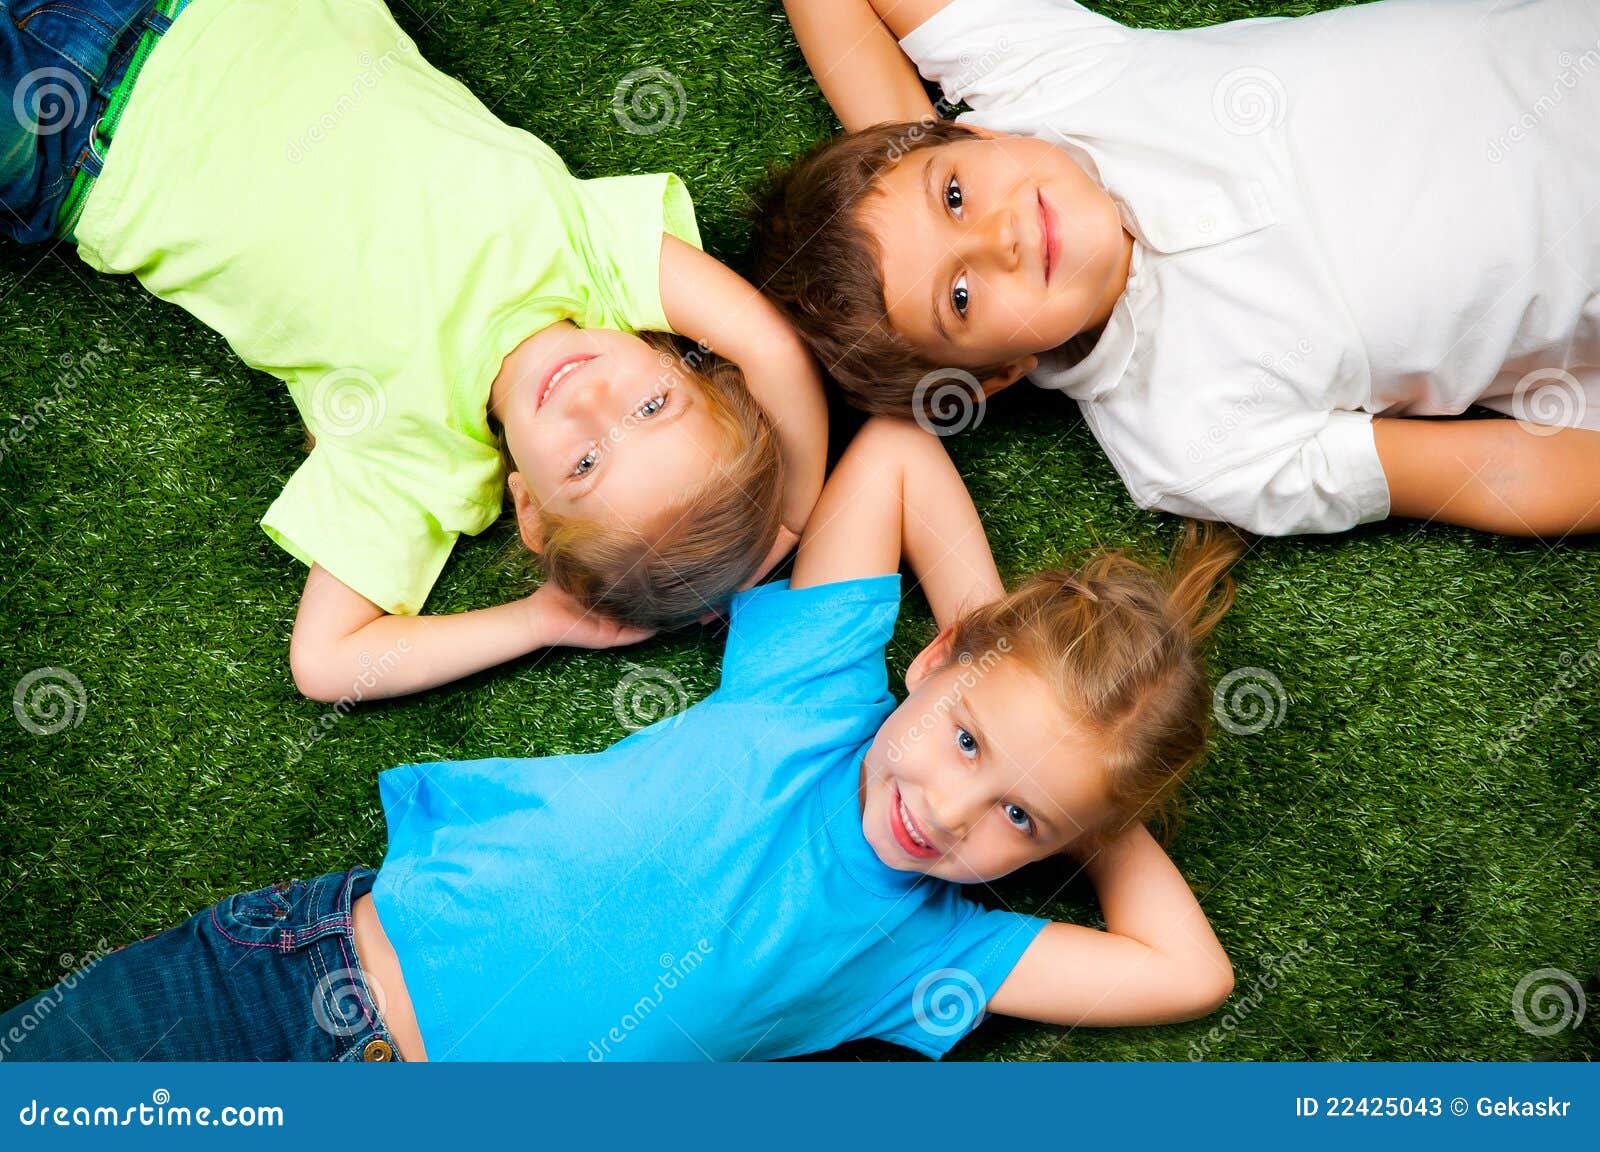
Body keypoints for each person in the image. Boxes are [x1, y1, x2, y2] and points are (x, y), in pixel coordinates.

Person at [0, 419, 1240, 1061]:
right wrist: (994, 656)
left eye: (1019, 821)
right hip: (277, 988)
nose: (954, 816)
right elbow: (901, 458)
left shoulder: (930, 950)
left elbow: (1189, 973)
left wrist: (1093, 784)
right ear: (931, 662)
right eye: (967, 743)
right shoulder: (814, 691)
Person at [0, 0, 827, 701]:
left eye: (584, 464)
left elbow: (325, 663)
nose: (590, 404)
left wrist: (545, 620)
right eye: (654, 406)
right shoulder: (594, 256)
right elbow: (770, 348)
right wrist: (792, 513)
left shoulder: (421, 461)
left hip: (62, 137)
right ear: (683, 357)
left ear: (530, 511)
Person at [756, 0, 1600, 539]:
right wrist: (937, 198)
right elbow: (1491, 476)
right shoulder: (1185, 444)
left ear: (972, 136)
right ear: (1005, 373)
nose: (1000, 239)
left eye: (953, 197)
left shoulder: (1042, 86)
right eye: (964, 297)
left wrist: (922, 170)